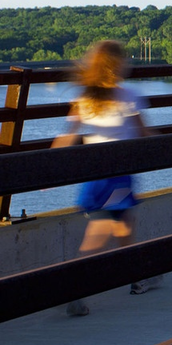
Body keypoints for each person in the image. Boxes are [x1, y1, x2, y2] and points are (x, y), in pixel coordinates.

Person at [51, 40, 160, 315]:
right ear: (117, 64)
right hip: (118, 174)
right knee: (101, 230)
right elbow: (145, 134)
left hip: (95, 174)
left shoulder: (84, 97)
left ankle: (138, 275)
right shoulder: (127, 95)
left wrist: (46, 166)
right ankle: (75, 286)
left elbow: (69, 135)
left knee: (124, 224)